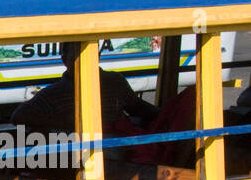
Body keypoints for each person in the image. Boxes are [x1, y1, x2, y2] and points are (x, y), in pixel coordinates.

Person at [12, 42, 159, 134]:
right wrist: (69, 125)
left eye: (86, 56)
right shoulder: (54, 94)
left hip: (118, 148)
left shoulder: (115, 82)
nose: (82, 63)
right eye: (76, 57)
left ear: (98, 56)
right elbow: (18, 116)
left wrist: (167, 113)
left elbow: (137, 107)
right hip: (83, 156)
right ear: (64, 59)